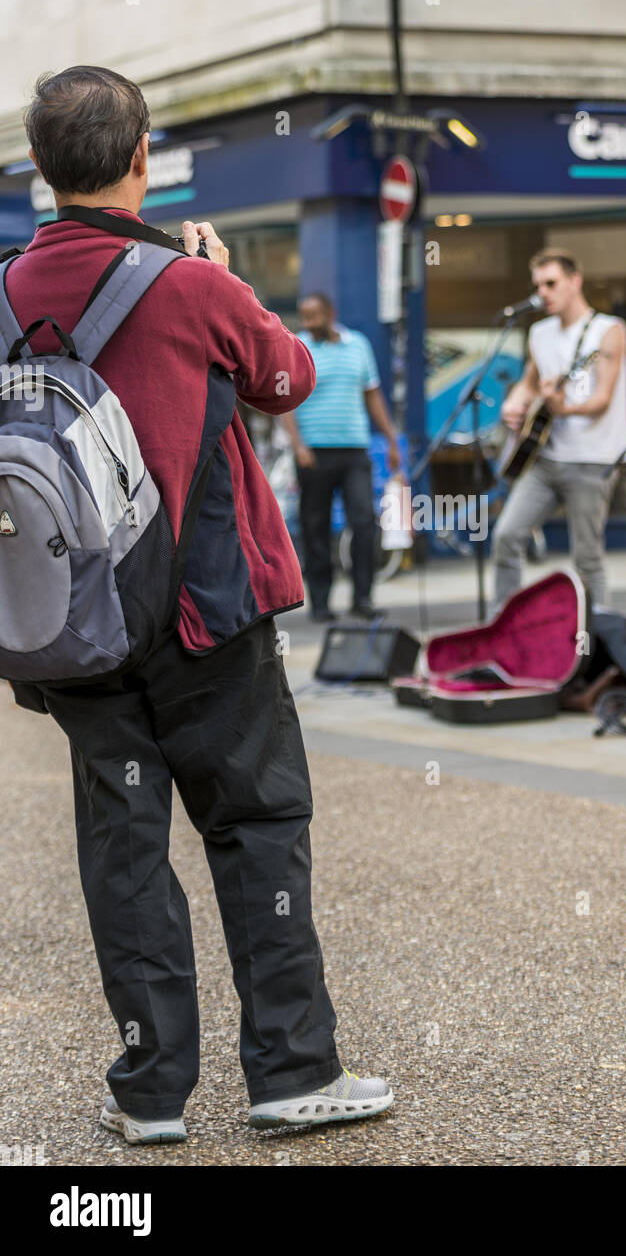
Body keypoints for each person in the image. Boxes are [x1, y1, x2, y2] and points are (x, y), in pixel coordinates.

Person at [4, 65, 392, 1141]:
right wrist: (231, 281)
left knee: (122, 846)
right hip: (203, 611)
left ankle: (150, 1092)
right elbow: (288, 379)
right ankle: (290, 1072)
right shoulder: (192, 285)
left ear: (40, 169)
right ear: (141, 161)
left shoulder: (2, 292)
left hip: (70, 623)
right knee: (258, 824)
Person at [492, 248, 626, 610]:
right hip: (545, 457)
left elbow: (602, 399)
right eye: (538, 285)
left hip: (592, 459)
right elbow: (530, 382)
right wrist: (514, 402)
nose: (543, 293)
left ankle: (598, 639)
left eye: (551, 283)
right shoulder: (539, 332)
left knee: (586, 556)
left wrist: (564, 407)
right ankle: (501, 626)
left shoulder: (608, 330)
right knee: (506, 536)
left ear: (575, 281)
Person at [281, 292, 400, 622]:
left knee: (364, 522)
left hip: (354, 450)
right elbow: (286, 401)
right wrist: (298, 445)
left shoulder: (358, 345)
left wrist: (391, 440)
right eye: (305, 317)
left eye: (316, 315)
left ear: (331, 313)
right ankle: (320, 602)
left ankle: (363, 598)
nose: (310, 323)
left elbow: (372, 394)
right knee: (315, 526)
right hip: (313, 454)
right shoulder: (297, 347)